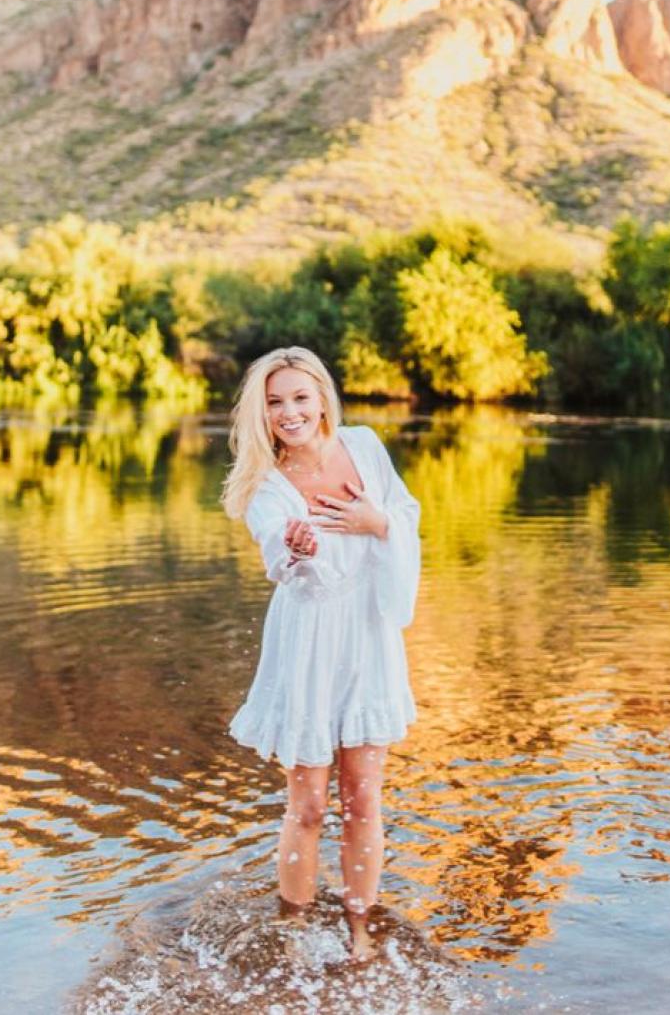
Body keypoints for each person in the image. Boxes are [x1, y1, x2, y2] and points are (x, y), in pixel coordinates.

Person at [223, 345, 421, 962]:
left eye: (300, 398)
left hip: (367, 636)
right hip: (309, 644)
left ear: (322, 398)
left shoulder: (363, 446)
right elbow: (278, 556)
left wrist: (377, 521)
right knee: (307, 803)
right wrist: (297, 547)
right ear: (261, 412)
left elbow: (405, 515)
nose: (289, 412)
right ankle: (294, 925)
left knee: (363, 796)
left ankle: (361, 925)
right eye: (275, 402)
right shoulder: (265, 484)